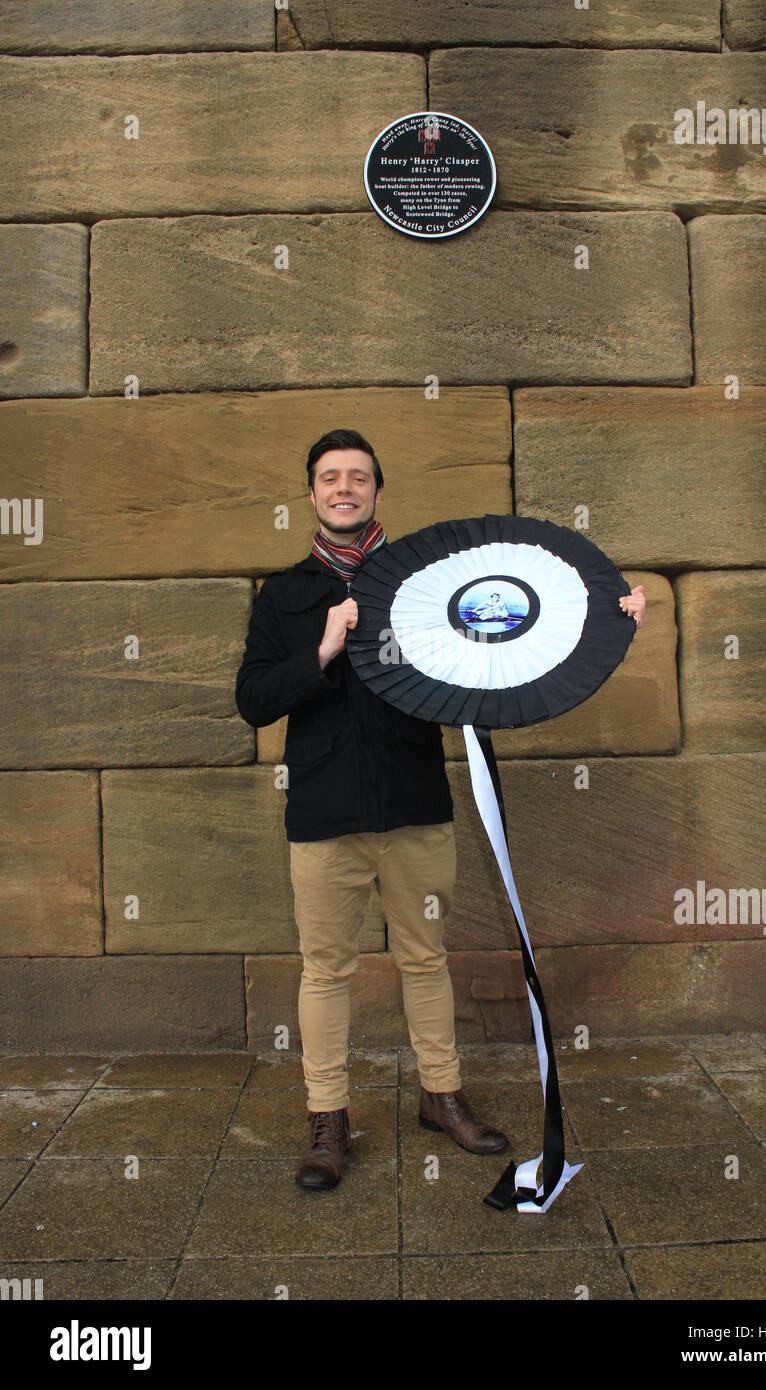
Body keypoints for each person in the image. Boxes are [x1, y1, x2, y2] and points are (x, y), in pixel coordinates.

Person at [234, 428, 510, 1190]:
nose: (344, 487)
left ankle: (441, 1095)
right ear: (313, 494)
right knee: (326, 970)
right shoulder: (285, 596)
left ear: (378, 490)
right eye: (330, 477)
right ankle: (329, 1119)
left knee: (425, 958)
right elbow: (252, 701)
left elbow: (502, 642)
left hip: (415, 804)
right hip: (323, 814)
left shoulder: (420, 584)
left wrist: (606, 614)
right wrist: (319, 652)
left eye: (358, 476)